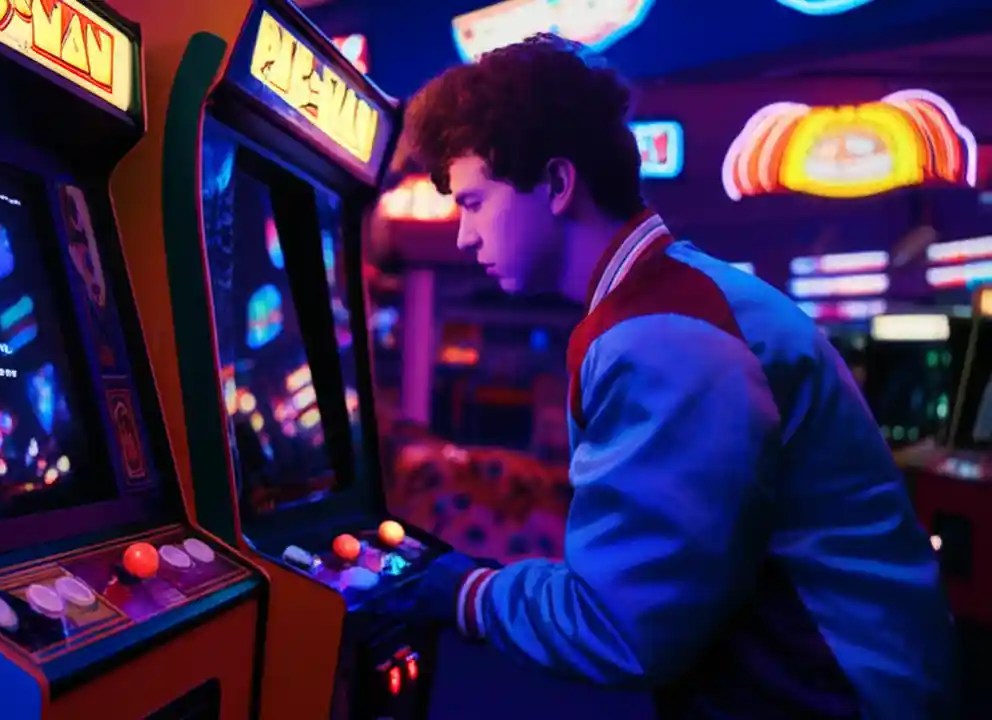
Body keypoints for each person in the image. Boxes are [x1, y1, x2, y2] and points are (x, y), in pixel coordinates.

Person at [398, 34, 956, 718]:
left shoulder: (663, 334)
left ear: (556, 184)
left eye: (474, 202)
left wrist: (466, 592)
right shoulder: (680, 301)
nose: (463, 235)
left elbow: (622, 627)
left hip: (837, 696)